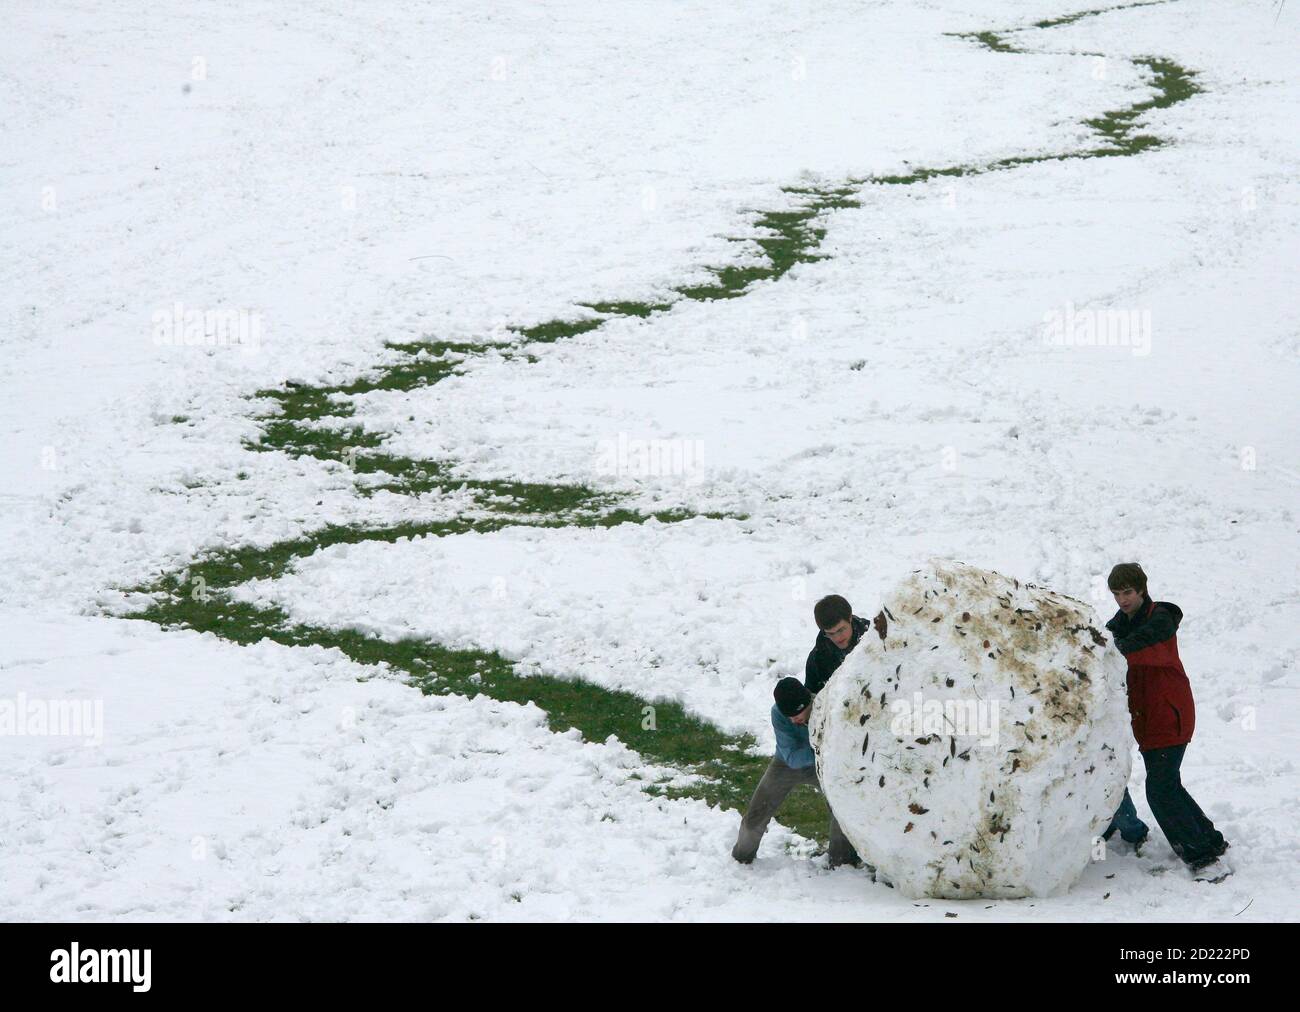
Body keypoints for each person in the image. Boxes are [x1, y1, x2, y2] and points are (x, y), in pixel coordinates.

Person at [1103, 563, 1229, 876]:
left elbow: (1138, 648)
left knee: (1159, 791)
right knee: (1169, 784)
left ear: (1141, 589)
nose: (1122, 599)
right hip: (1149, 721)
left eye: (1128, 592)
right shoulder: (1119, 625)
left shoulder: (1159, 620)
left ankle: (1202, 858)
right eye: (1117, 594)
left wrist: (1111, 650)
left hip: (1169, 716)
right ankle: (1211, 841)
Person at [731, 677, 860, 868]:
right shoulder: (778, 714)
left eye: (797, 715)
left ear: (808, 702)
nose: (793, 720)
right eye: (789, 716)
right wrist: (822, 749)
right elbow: (792, 756)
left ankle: (842, 861)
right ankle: (742, 857)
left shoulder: (824, 707)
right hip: (785, 764)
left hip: (824, 766)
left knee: (841, 809)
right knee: (757, 811)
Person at [804, 594, 887, 696]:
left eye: (841, 630)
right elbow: (812, 699)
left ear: (850, 618)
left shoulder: (875, 635)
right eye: (830, 633)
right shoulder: (817, 660)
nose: (837, 638)